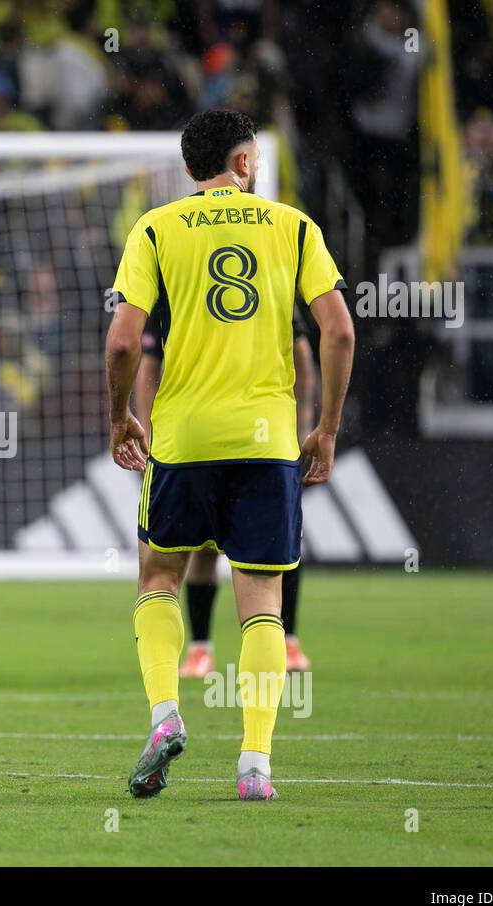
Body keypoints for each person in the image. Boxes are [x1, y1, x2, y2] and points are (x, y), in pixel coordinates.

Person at [105, 109, 354, 801]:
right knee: (263, 603)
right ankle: (255, 766)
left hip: (181, 441)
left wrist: (121, 415)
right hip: (267, 442)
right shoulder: (295, 227)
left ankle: (164, 715)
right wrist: (326, 427)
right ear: (244, 163)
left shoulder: (155, 228)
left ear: (190, 170)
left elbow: (125, 342)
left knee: (158, 578)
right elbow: (338, 331)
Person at [135, 305, 319, 677]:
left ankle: (287, 640)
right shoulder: (179, 283)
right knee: (216, 548)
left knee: (275, 548)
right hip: (222, 438)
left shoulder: (265, 276)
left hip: (246, 436)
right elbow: (149, 362)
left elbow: (303, 351)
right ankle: (205, 650)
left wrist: (305, 424)